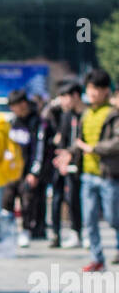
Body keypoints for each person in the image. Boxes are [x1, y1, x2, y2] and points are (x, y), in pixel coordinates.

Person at [74, 67, 119, 272]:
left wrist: (94, 149)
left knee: (113, 217)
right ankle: (97, 257)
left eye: (96, 89)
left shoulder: (113, 114)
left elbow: (117, 142)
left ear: (105, 91)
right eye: (89, 88)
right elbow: (79, 142)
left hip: (108, 174)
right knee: (89, 219)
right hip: (88, 174)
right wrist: (68, 154)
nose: (91, 93)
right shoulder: (85, 114)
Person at [4, 88, 52, 248]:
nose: (13, 109)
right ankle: (8, 232)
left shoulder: (38, 122)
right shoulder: (12, 122)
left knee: (27, 202)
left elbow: (40, 149)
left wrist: (34, 172)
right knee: (8, 201)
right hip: (11, 171)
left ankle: (26, 230)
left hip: (28, 170)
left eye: (15, 106)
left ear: (23, 104)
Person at [47, 81, 84, 249]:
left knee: (74, 199)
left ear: (75, 96)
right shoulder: (64, 115)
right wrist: (61, 158)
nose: (62, 101)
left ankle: (77, 232)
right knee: (57, 198)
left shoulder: (85, 114)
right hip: (62, 162)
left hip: (78, 163)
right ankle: (56, 233)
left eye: (64, 97)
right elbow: (61, 139)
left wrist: (69, 155)